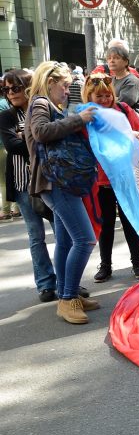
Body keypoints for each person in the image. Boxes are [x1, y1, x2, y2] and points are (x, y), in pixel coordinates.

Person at [25, 61, 100, 324]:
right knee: (85, 240)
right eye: (65, 86)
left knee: (68, 242)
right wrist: (78, 119)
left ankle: (68, 296)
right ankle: (68, 299)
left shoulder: (42, 104)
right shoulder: (41, 104)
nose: (67, 91)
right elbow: (42, 132)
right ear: (50, 82)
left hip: (57, 182)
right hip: (55, 182)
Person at [83, 72, 139, 282]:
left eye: (107, 95)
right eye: (99, 96)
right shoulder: (84, 116)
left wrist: (130, 134)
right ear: (89, 96)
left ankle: (137, 262)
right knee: (106, 224)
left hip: (126, 177)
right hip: (100, 181)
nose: (104, 100)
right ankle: (105, 265)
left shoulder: (123, 109)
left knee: (131, 221)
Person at [0, 69, 57, 301]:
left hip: (49, 180)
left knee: (62, 233)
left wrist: (26, 136)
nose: (11, 93)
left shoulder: (44, 107)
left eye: (15, 87)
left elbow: (51, 140)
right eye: (6, 89)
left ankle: (67, 281)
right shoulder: (6, 116)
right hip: (23, 184)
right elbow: (12, 146)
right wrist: (34, 138)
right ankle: (45, 284)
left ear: (28, 87)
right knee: (36, 236)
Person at [106, 40, 139, 117]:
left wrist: (111, 99)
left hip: (129, 124)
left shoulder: (132, 81)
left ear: (126, 62)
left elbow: (120, 105)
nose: (112, 61)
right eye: (109, 58)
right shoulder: (111, 79)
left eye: (116, 58)